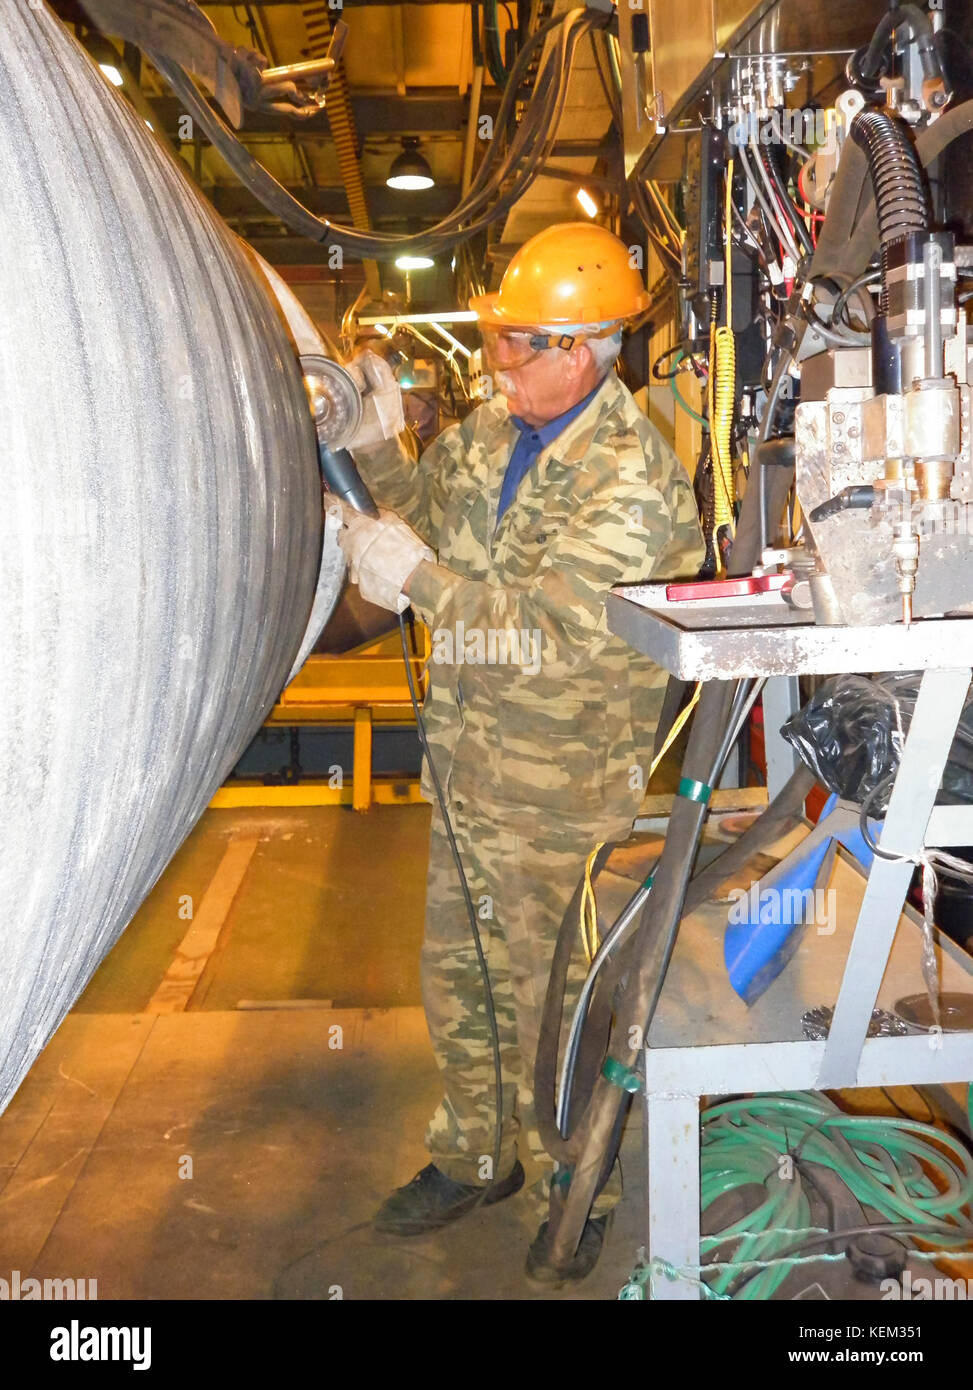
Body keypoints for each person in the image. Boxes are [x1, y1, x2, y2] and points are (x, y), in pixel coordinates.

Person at [337, 222, 705, 1287]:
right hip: (468, 774)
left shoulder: (632, 482)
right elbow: (413, 513)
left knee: (562, 1002)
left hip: (559, 797)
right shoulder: (495, 438)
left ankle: (573, 1181)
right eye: (496, 342)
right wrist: (366, 442)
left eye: (514, 346)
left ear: (582, 351)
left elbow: (533, 639)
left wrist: (414, 581)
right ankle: (473, 1153)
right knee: (461, 980)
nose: (494, 364)